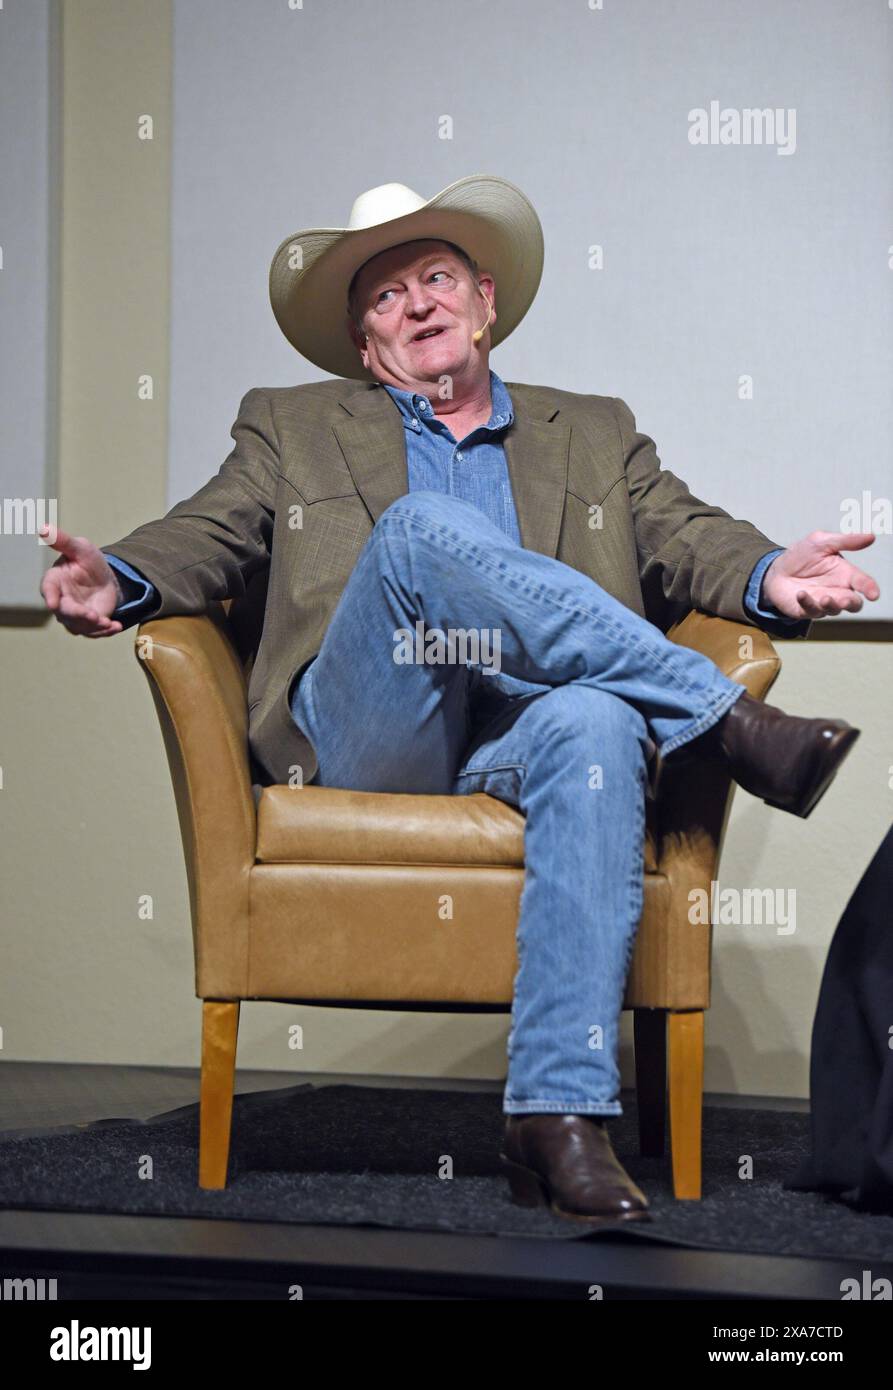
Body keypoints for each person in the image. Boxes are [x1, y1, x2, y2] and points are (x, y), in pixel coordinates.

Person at [39, 175, 880, 1224]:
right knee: (417, 531)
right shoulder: (290, 430)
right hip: (374, 727)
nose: (418, 305)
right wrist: (116, 576)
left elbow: (684, 536)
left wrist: (767, 575)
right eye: (386, 298)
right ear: (363, 345)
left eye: (435, 278)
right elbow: (207, 532)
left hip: (523, 736)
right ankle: (722, 720)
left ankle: (555, 1118)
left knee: (598, 718)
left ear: (484, 301)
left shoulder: (593, 432)